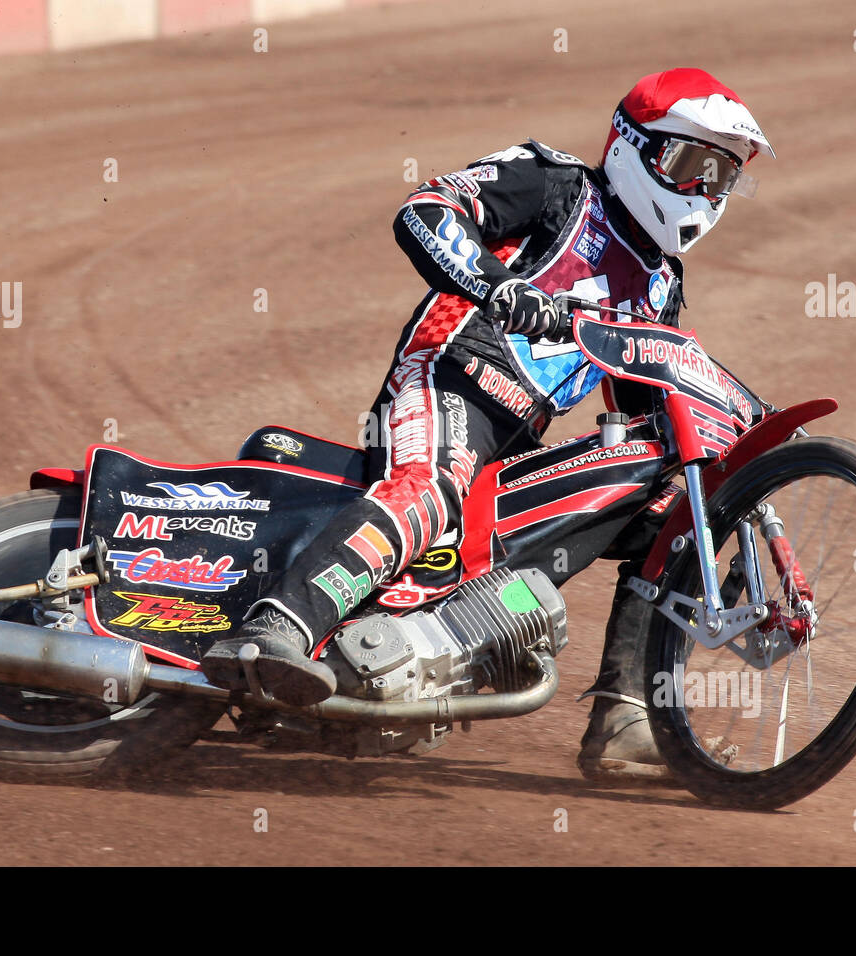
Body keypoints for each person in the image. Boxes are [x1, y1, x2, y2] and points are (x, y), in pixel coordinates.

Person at [202, 67, 774, 783]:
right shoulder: (556, 183)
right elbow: (425, 210)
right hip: (448, 375)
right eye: (691, 165)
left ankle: (627, 716)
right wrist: (498, 286)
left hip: (514, 443)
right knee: (432, 484)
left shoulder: (659, 285)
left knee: (669, 503)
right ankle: (277, 627)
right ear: (634, 146)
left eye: (721, 177)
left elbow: (640, 410)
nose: (703, 192)